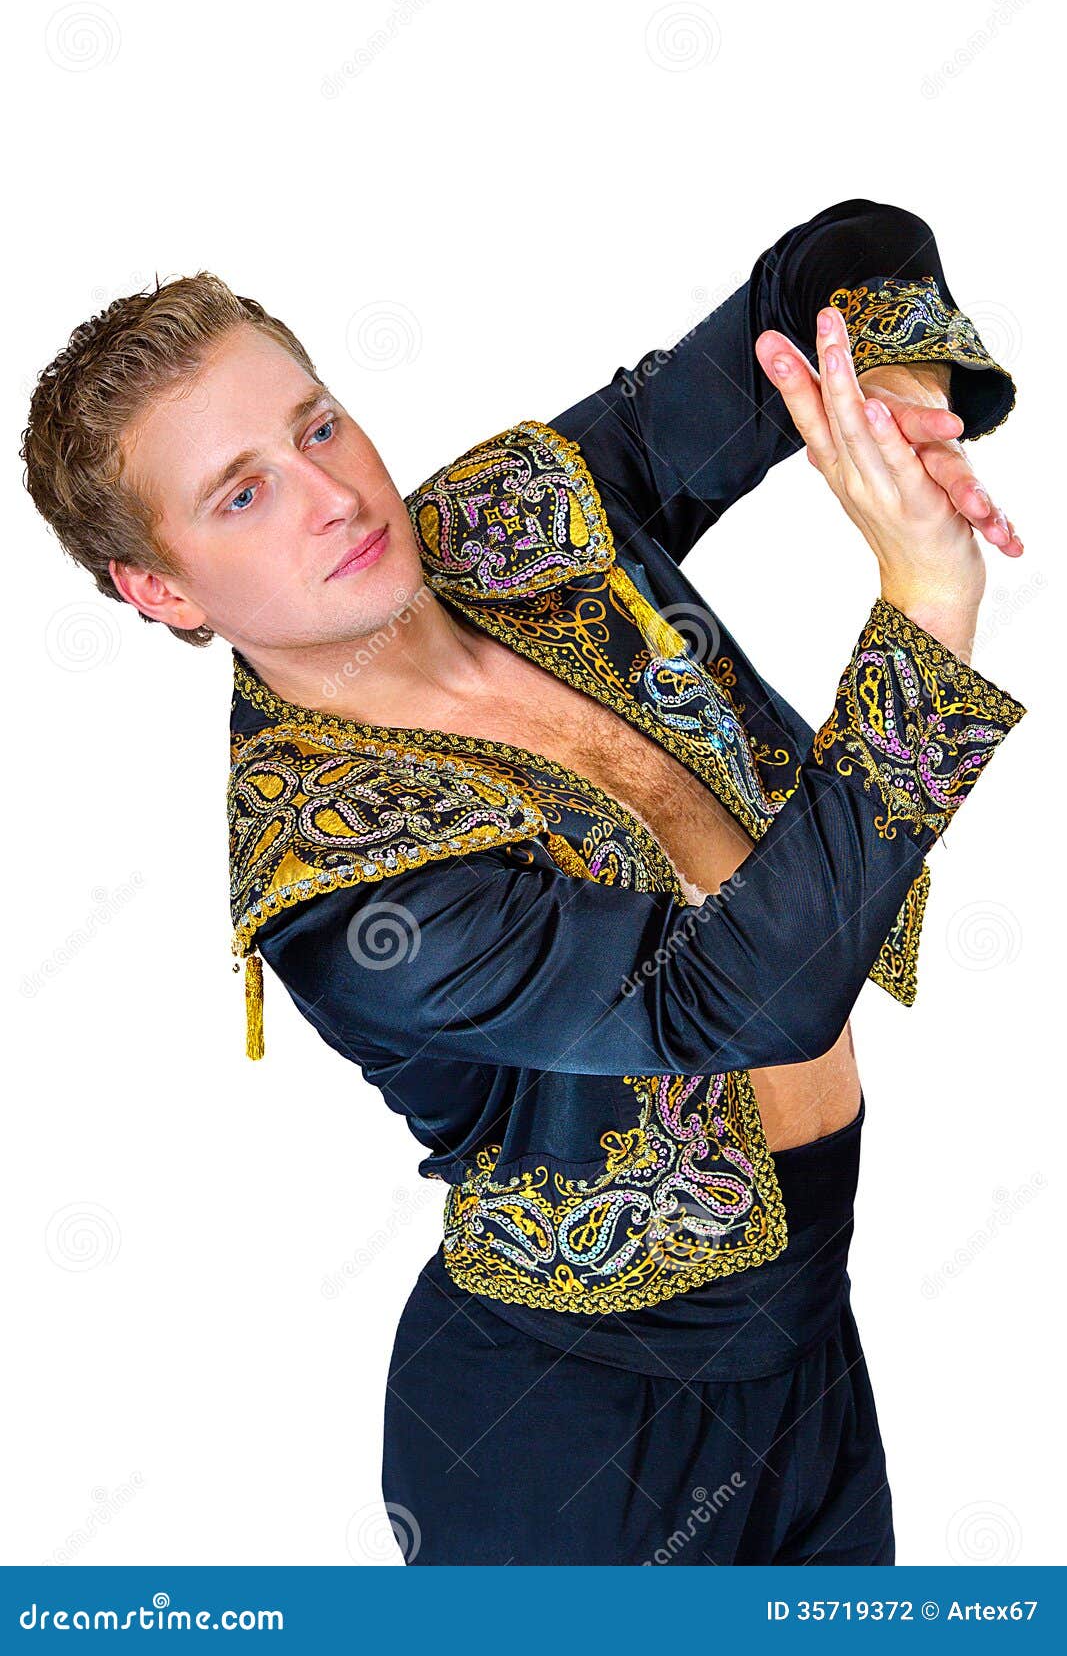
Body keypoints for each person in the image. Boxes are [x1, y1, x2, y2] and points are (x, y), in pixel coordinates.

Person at [21, 198, 1027, 1565]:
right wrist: (927, 609)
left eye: (317, 425)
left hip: (812, 1361)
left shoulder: (514, 525)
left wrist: (884, 393)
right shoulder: (339, 881)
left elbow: (829, 263)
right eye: (242, 493)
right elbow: (748, 995)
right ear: (162, 588)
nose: (332, 495)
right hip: (567, 1453)